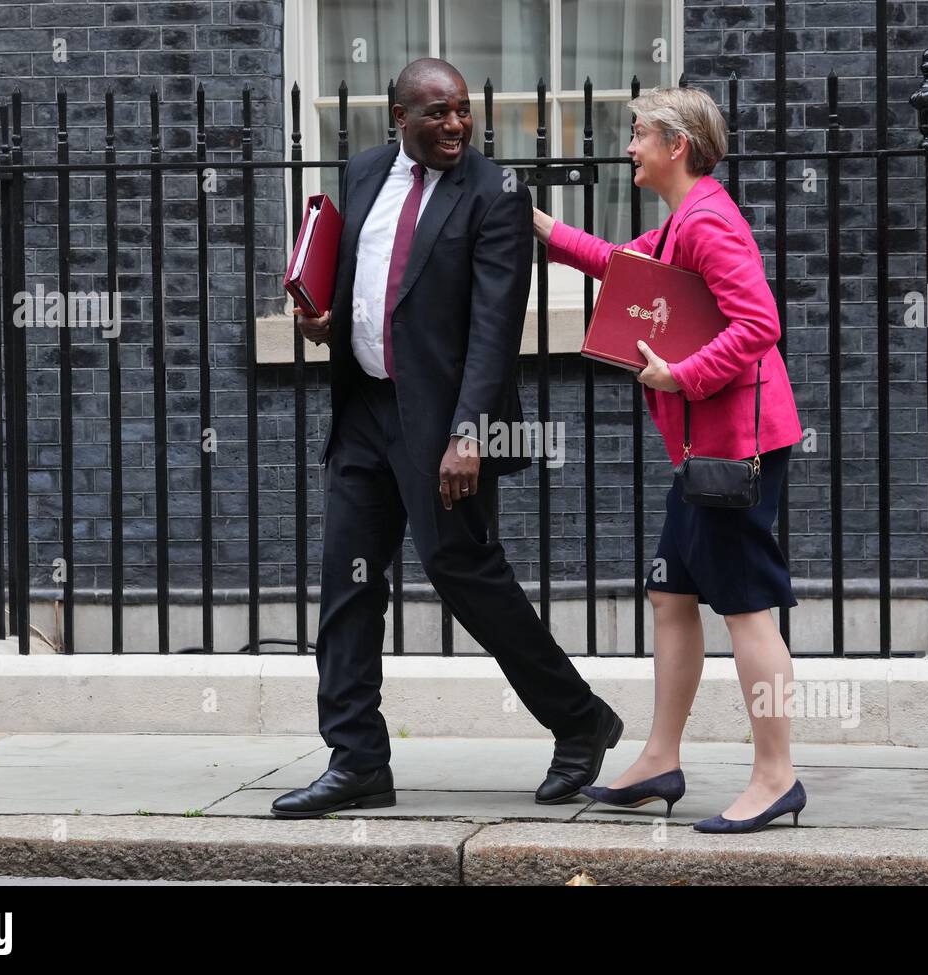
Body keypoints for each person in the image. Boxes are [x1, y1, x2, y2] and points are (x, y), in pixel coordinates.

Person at [272, 57, 623, 819]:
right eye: (438, 112)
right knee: (348, 582)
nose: (457, 123)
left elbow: (496, 327)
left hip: (444, 423)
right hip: (364, 409)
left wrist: (469, 435)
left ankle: (580, 719)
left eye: (462, 109)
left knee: (463, 572)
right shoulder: (364, 172)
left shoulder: (495, 193)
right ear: (400, 118)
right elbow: (368, 280)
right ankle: (357, 759)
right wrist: (326, 319)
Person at [532, 85, 807, 833]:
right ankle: (659, 758)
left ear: (676, 145)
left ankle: (776, 775)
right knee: (670, 593)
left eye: (639, 134)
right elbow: (621, 265)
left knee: (747, 611)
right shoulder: (685, 218)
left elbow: (759, 323)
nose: (630, 148)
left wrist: (681, 375)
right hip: (704, 452)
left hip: (737, 449)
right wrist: (542, 226)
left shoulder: (708, 222)